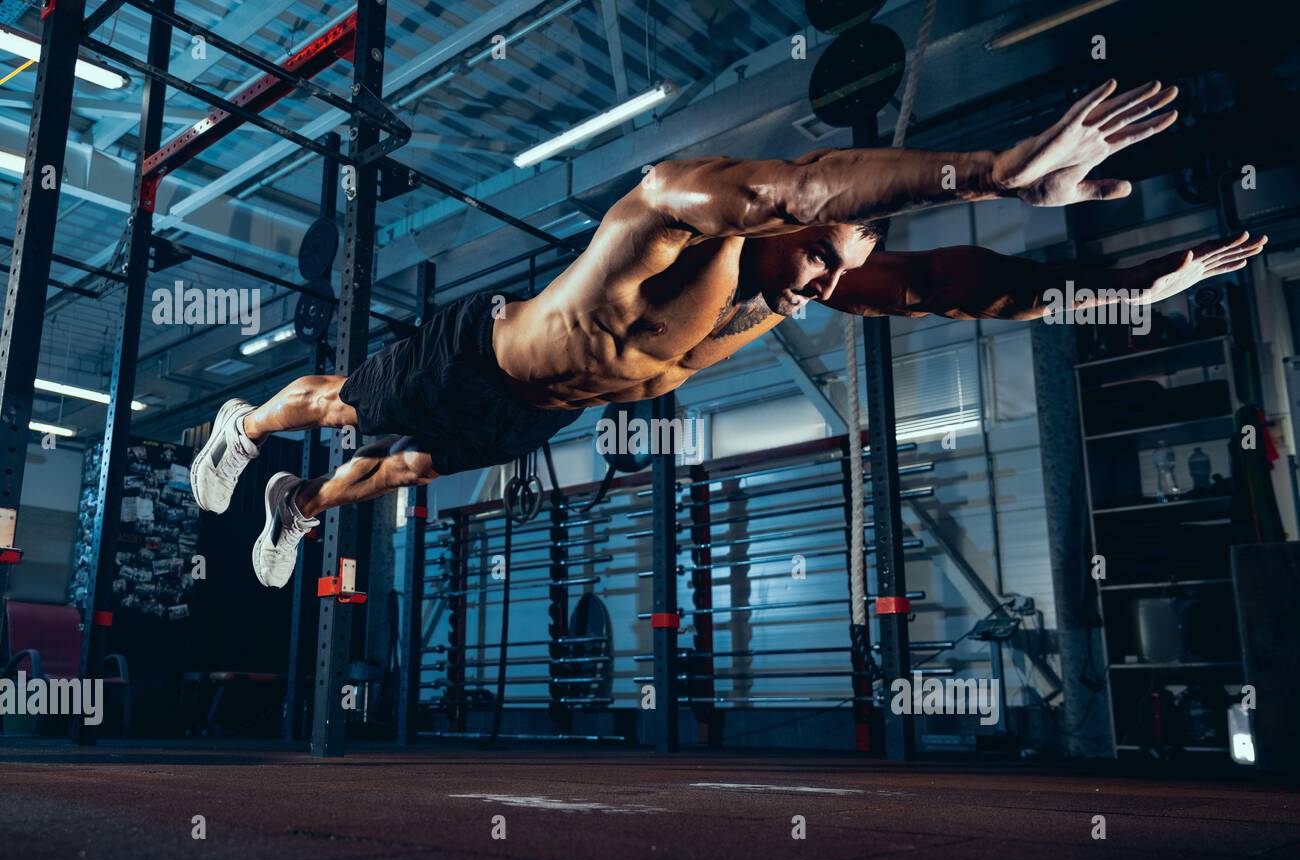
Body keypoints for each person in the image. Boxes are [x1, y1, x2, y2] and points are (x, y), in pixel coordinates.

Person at [189, 79, 1266, 587]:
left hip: (528, 410)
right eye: (820, 255)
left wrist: (1128, 287)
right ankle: (247, 426)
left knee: (406, 470)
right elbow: (802, 182)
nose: (824, 286)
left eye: (836, 273)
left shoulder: (805, 279)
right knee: (338, 407)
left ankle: (300, 503)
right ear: (788, 221)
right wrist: (987, 169)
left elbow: (947, 285)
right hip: (477, 352)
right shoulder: (677, 210)